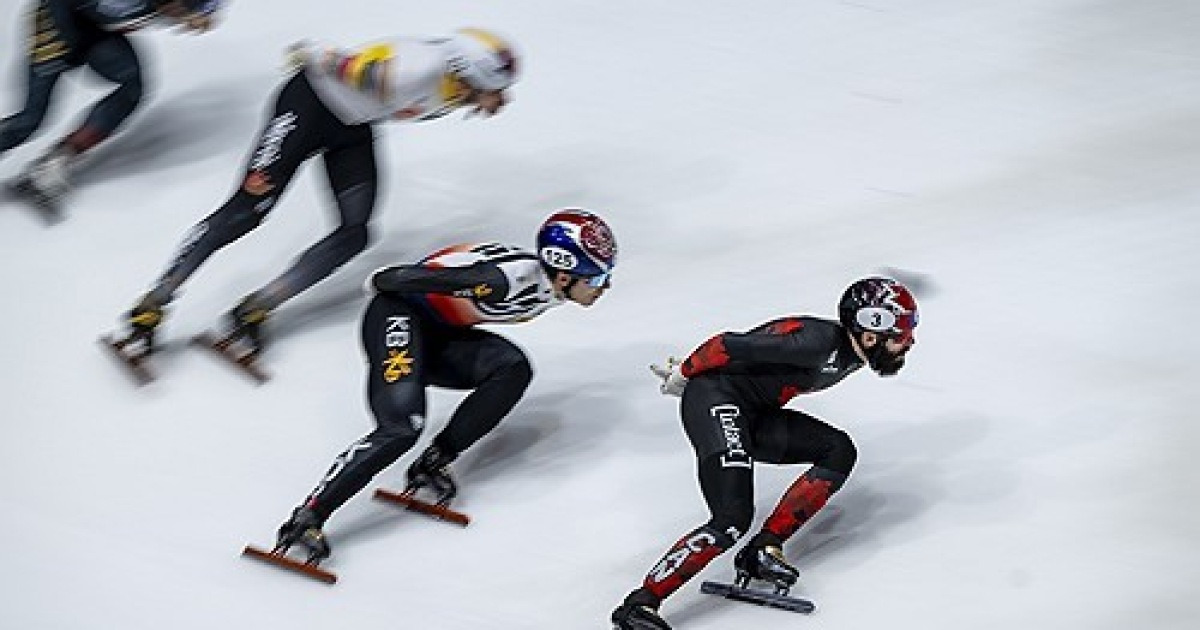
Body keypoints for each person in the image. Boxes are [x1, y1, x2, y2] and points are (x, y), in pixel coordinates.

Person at [113, 28, 520, 360]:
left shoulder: (455, 82)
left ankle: (255, 308)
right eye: (496, 91)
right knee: (246, 210)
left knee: (355, 232)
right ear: (473, 75)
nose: (500, 102)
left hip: (352, 127)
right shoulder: (415, 71)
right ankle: (152, 304)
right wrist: (313, 52)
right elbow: (335, 62)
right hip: (307, 106)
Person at [271, 209, 617, 563]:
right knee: (402, 428)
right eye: (598, 277)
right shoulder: (503, 281)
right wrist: (383, 282)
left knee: (513, 368)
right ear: (563, 274)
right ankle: (308, 515)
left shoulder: (546, 283)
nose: (605, 286)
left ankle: (434, 461)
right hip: (396, 317)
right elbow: (400, 279)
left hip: (435, 333)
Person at [611, 277, 920, 629]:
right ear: (869, 335)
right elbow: (725, 344)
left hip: (752, 411)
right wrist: (685, 373)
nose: (909, 343)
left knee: (838, 450)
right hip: (717, 399)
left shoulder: (853, 353)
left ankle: (763, 549)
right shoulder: (817, 343)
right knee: (731, 518)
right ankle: (640, 605)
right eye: (901, 337)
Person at [1, 0, 222, 212]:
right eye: (183, 14)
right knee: (30, 120)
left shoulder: (165, 5)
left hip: (91, 27)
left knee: (131, 87)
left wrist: (200, 12)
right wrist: (63, 48)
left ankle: (55, 162)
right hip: (56, 22)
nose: (183, 24)